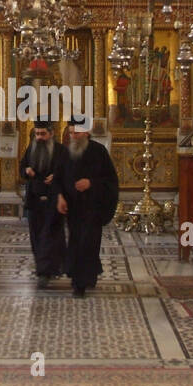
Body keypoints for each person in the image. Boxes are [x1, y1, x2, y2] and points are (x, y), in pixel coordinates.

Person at [56, 113, 119, 297]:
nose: (73, 137)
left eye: (77, 133)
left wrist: (90, 183)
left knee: (88, 244)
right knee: (76, 243)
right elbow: (58, 179)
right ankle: (81, 279)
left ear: (86, 133)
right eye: (71, 133)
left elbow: (110, 181)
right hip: (73, 209)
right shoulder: (66, 152)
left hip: (93, 208)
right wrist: (60, 197)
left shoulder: (99, 152)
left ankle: (82, 281)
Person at [20, 120, 67, 287]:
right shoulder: (31, 149)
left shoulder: (61, 151)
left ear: (51, 133)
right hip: (34, 200)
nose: (39, 137)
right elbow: (22, 167)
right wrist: (26, 171)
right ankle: (44, 268)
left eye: (43, 134)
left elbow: (68, 171)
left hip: (53, 201)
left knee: (50, 236)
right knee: (36, 236)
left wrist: (56, 176)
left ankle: (45, 272)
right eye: (37, 134)